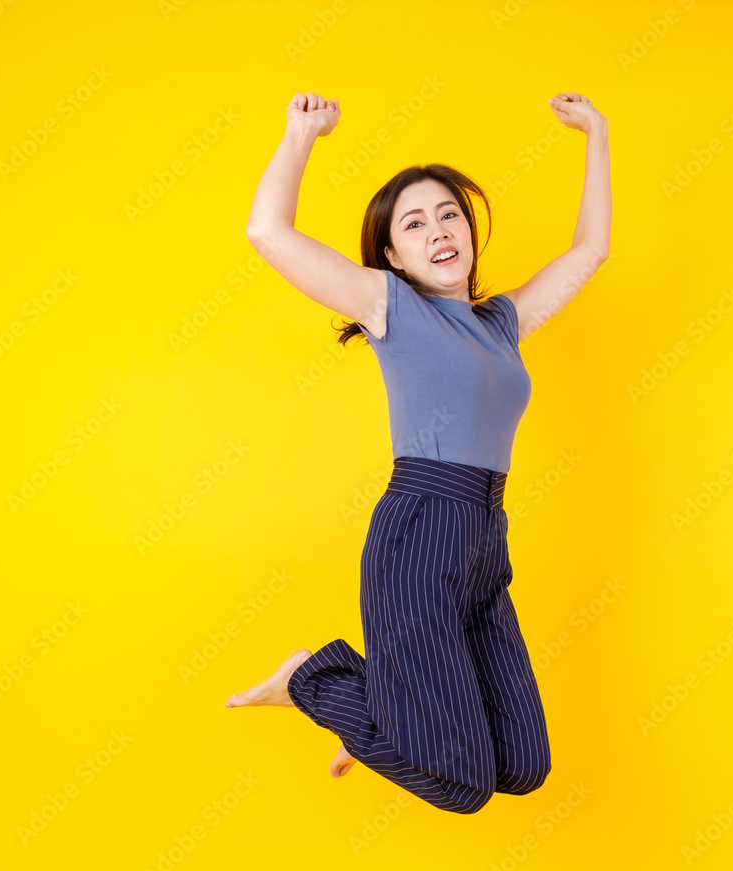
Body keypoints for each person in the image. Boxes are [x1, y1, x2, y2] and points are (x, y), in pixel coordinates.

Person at [226, 90, 610, 814]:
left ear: (470, 231)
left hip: (484, 547)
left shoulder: (500, 323)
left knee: (523, 766)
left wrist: (597, 132)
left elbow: (590, 252)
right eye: (414, 223)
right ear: (392, 254)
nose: (438, 231)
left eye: (450, 215)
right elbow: (266, 232)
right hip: (419, 538)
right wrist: (300, 135)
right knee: (462, 789)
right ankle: (313, 680)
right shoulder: (389, 307)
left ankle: (379, 720)